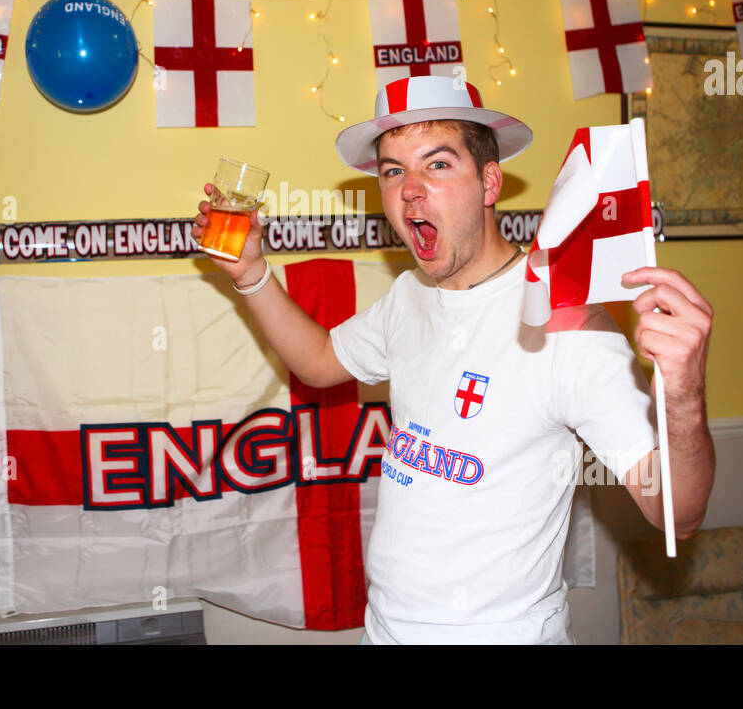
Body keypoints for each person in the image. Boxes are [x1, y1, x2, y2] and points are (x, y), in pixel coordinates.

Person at [192, 76, 715, 644]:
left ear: (490, 181)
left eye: (436, 165)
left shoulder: (568, 323)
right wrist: (252, 275)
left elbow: (676, 514)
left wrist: (683, 396)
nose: (409, 190)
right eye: (393, 171)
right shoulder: (409, 296)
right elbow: (320, 361)